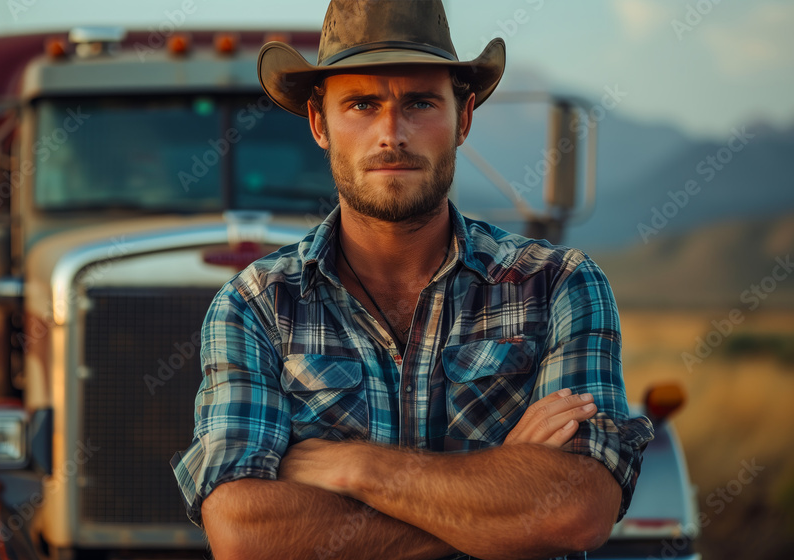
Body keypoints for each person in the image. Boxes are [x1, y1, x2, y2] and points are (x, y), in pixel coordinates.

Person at [172, 1, 655, 559]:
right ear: (319, 123)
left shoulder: (557, 286)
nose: (391, 135)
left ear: (464, 119)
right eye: (361, 104)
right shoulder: (256, 306)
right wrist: (498, 504)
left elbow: (575, 510)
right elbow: (244, 533)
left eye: (420, 103)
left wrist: (354, 466)